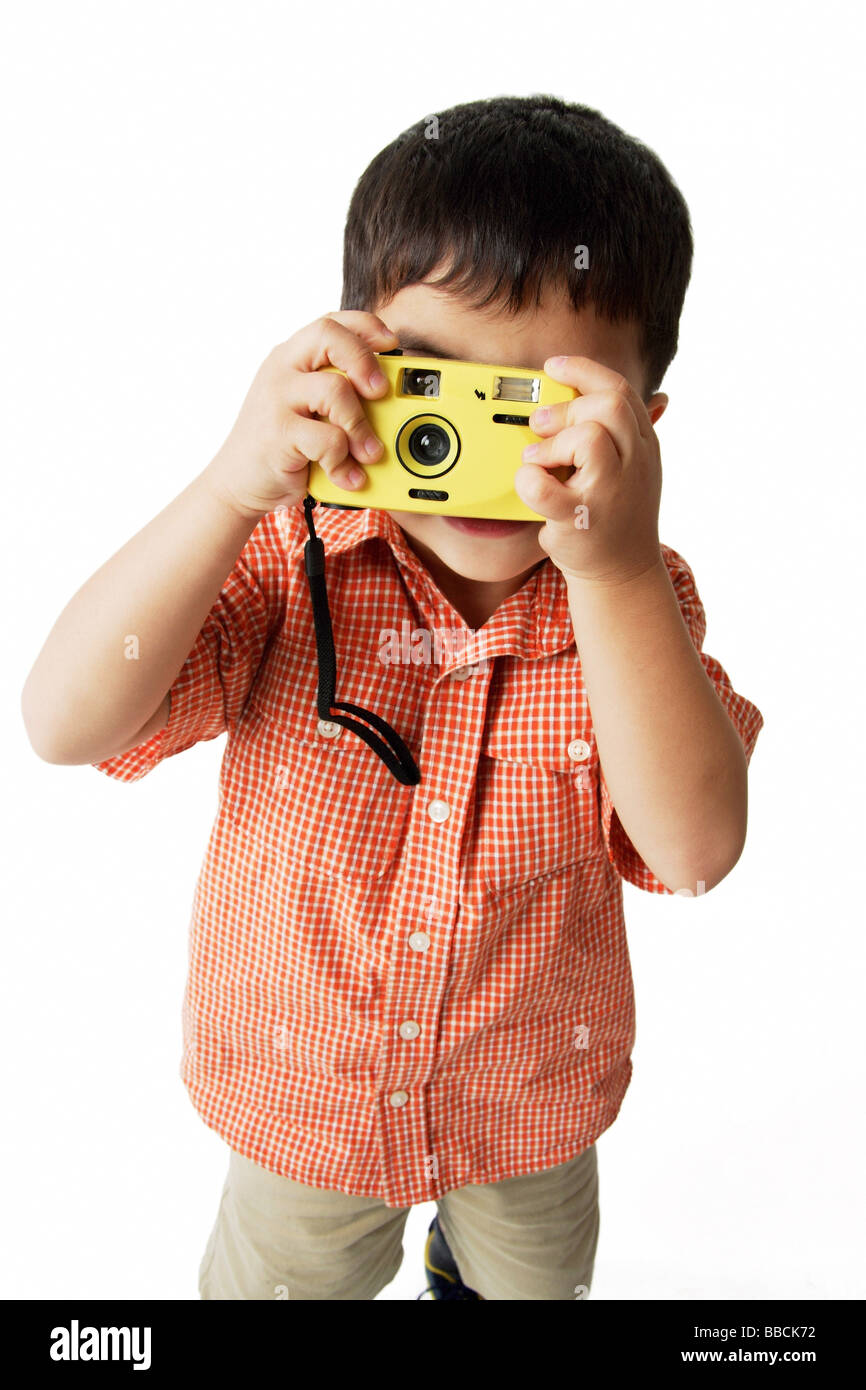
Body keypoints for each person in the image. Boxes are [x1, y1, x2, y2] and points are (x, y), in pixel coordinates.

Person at [21, 94, 764, 1301]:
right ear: (349, 352)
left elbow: (692, 852)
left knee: (525, 1283)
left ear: (642, 425)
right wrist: (227, 486)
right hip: (299, 1086)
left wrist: (616, 566)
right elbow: (63, 721)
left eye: (539, 405)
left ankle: (456, 1264)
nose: (474, 450)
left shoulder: (634, 598)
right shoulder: (282, 547)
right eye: (434, 384)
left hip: (527, 1096)